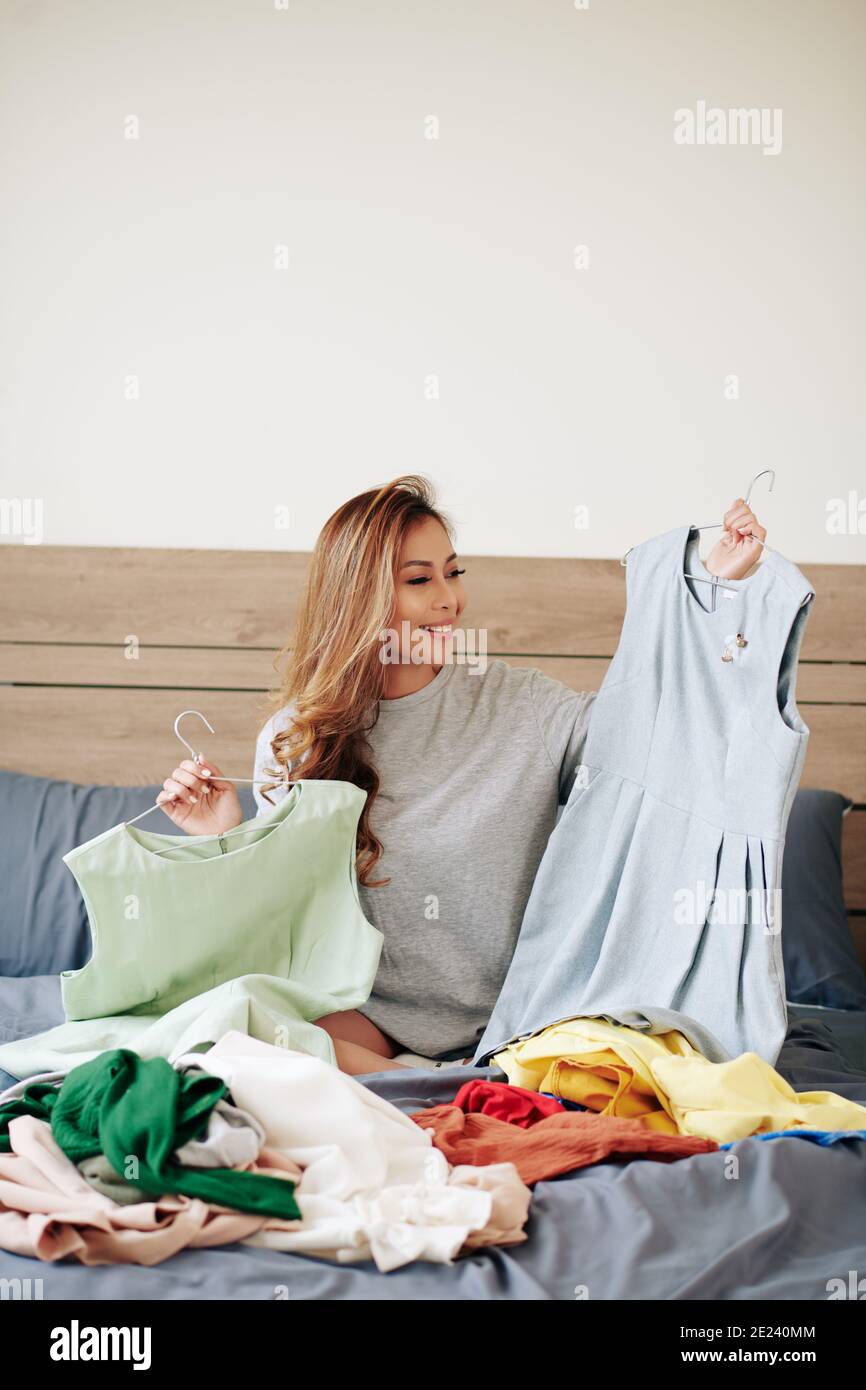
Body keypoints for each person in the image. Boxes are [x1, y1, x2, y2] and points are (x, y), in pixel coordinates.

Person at [156, 476, 767, 1076]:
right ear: (357, 599)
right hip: (371, 1017)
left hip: (521, 1016)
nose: (450, 599)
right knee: (238, 1024)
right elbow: (282, 923)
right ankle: (435, 1085)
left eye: (454, 572)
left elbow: (657, 731)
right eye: (420, 580)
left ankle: (445, 1082)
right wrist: (222, 838)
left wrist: (711, 594)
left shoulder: (522, 705)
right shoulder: (297, 738)